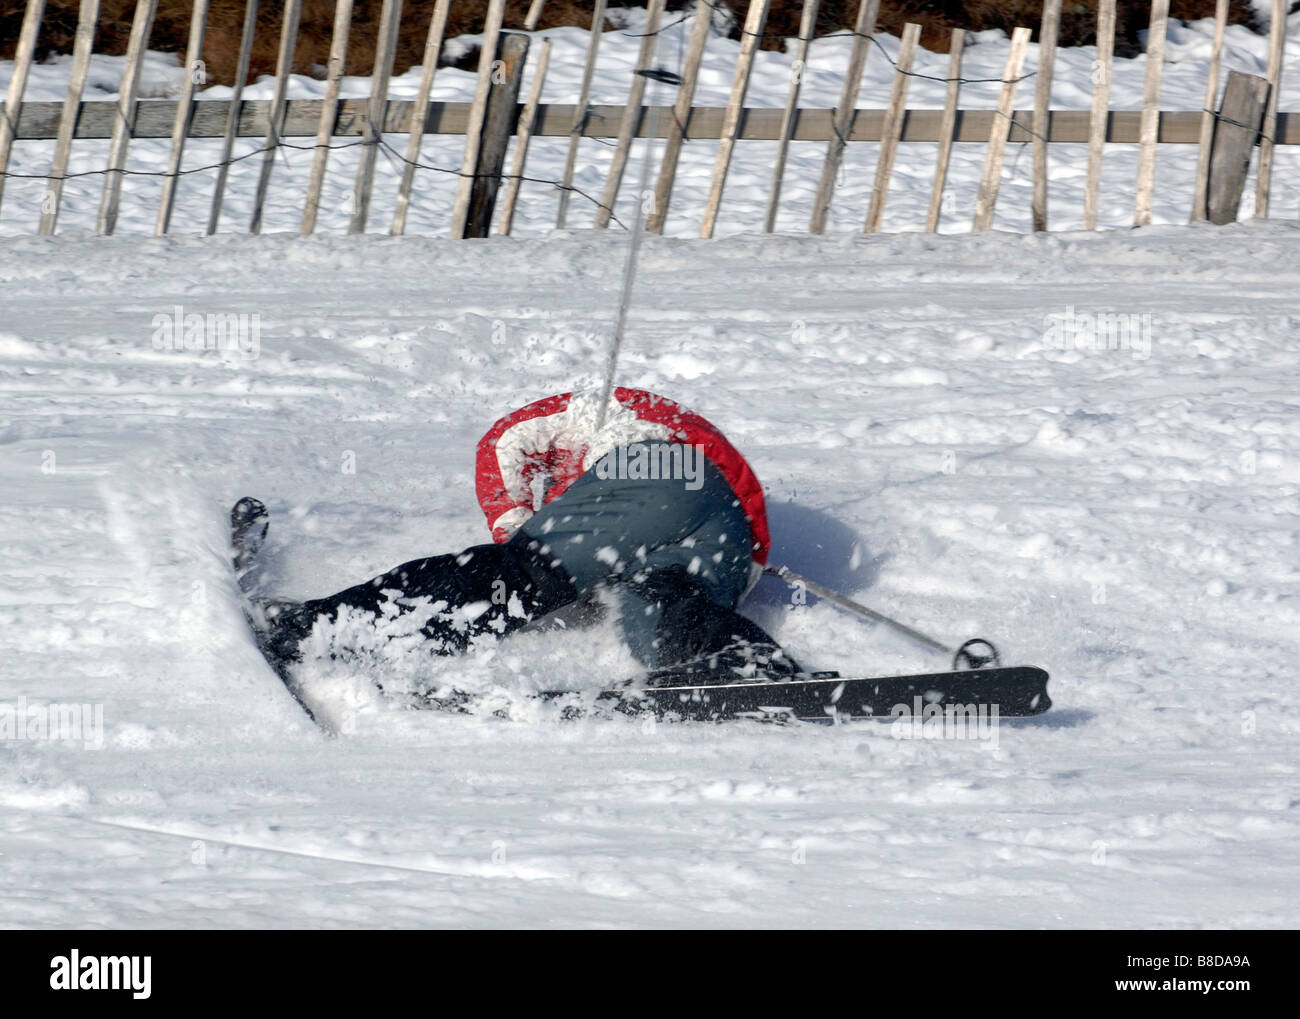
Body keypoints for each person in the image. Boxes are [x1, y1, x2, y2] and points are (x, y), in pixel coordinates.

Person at [245, 387, 801, 684]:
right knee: (657, 621)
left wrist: (520, 538)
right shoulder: (622, 484)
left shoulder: (593, 414)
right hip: (734, 540)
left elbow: (503, 444)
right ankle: (745, 662)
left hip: (666, 473)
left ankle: (317, 630)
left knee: (522, 574)